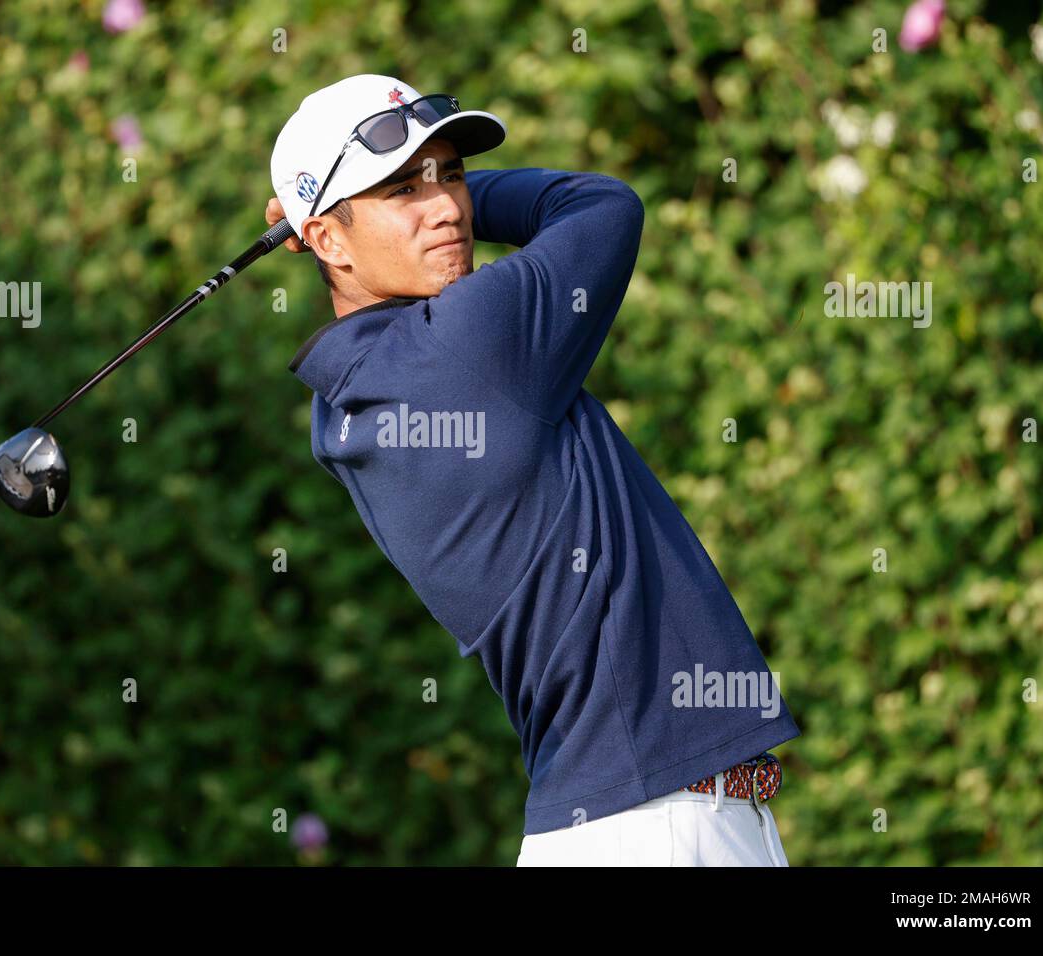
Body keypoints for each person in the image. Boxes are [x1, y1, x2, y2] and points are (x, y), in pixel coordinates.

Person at [266, 73, 800, 866]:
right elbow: (601, 204)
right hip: (657, 829)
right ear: (328, 242)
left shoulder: (349, 399)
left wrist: (354, 210)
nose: (448, 207)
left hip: (626, 821)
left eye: (452, 174)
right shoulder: (470, 343)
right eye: (405, 189)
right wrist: (457, 190)